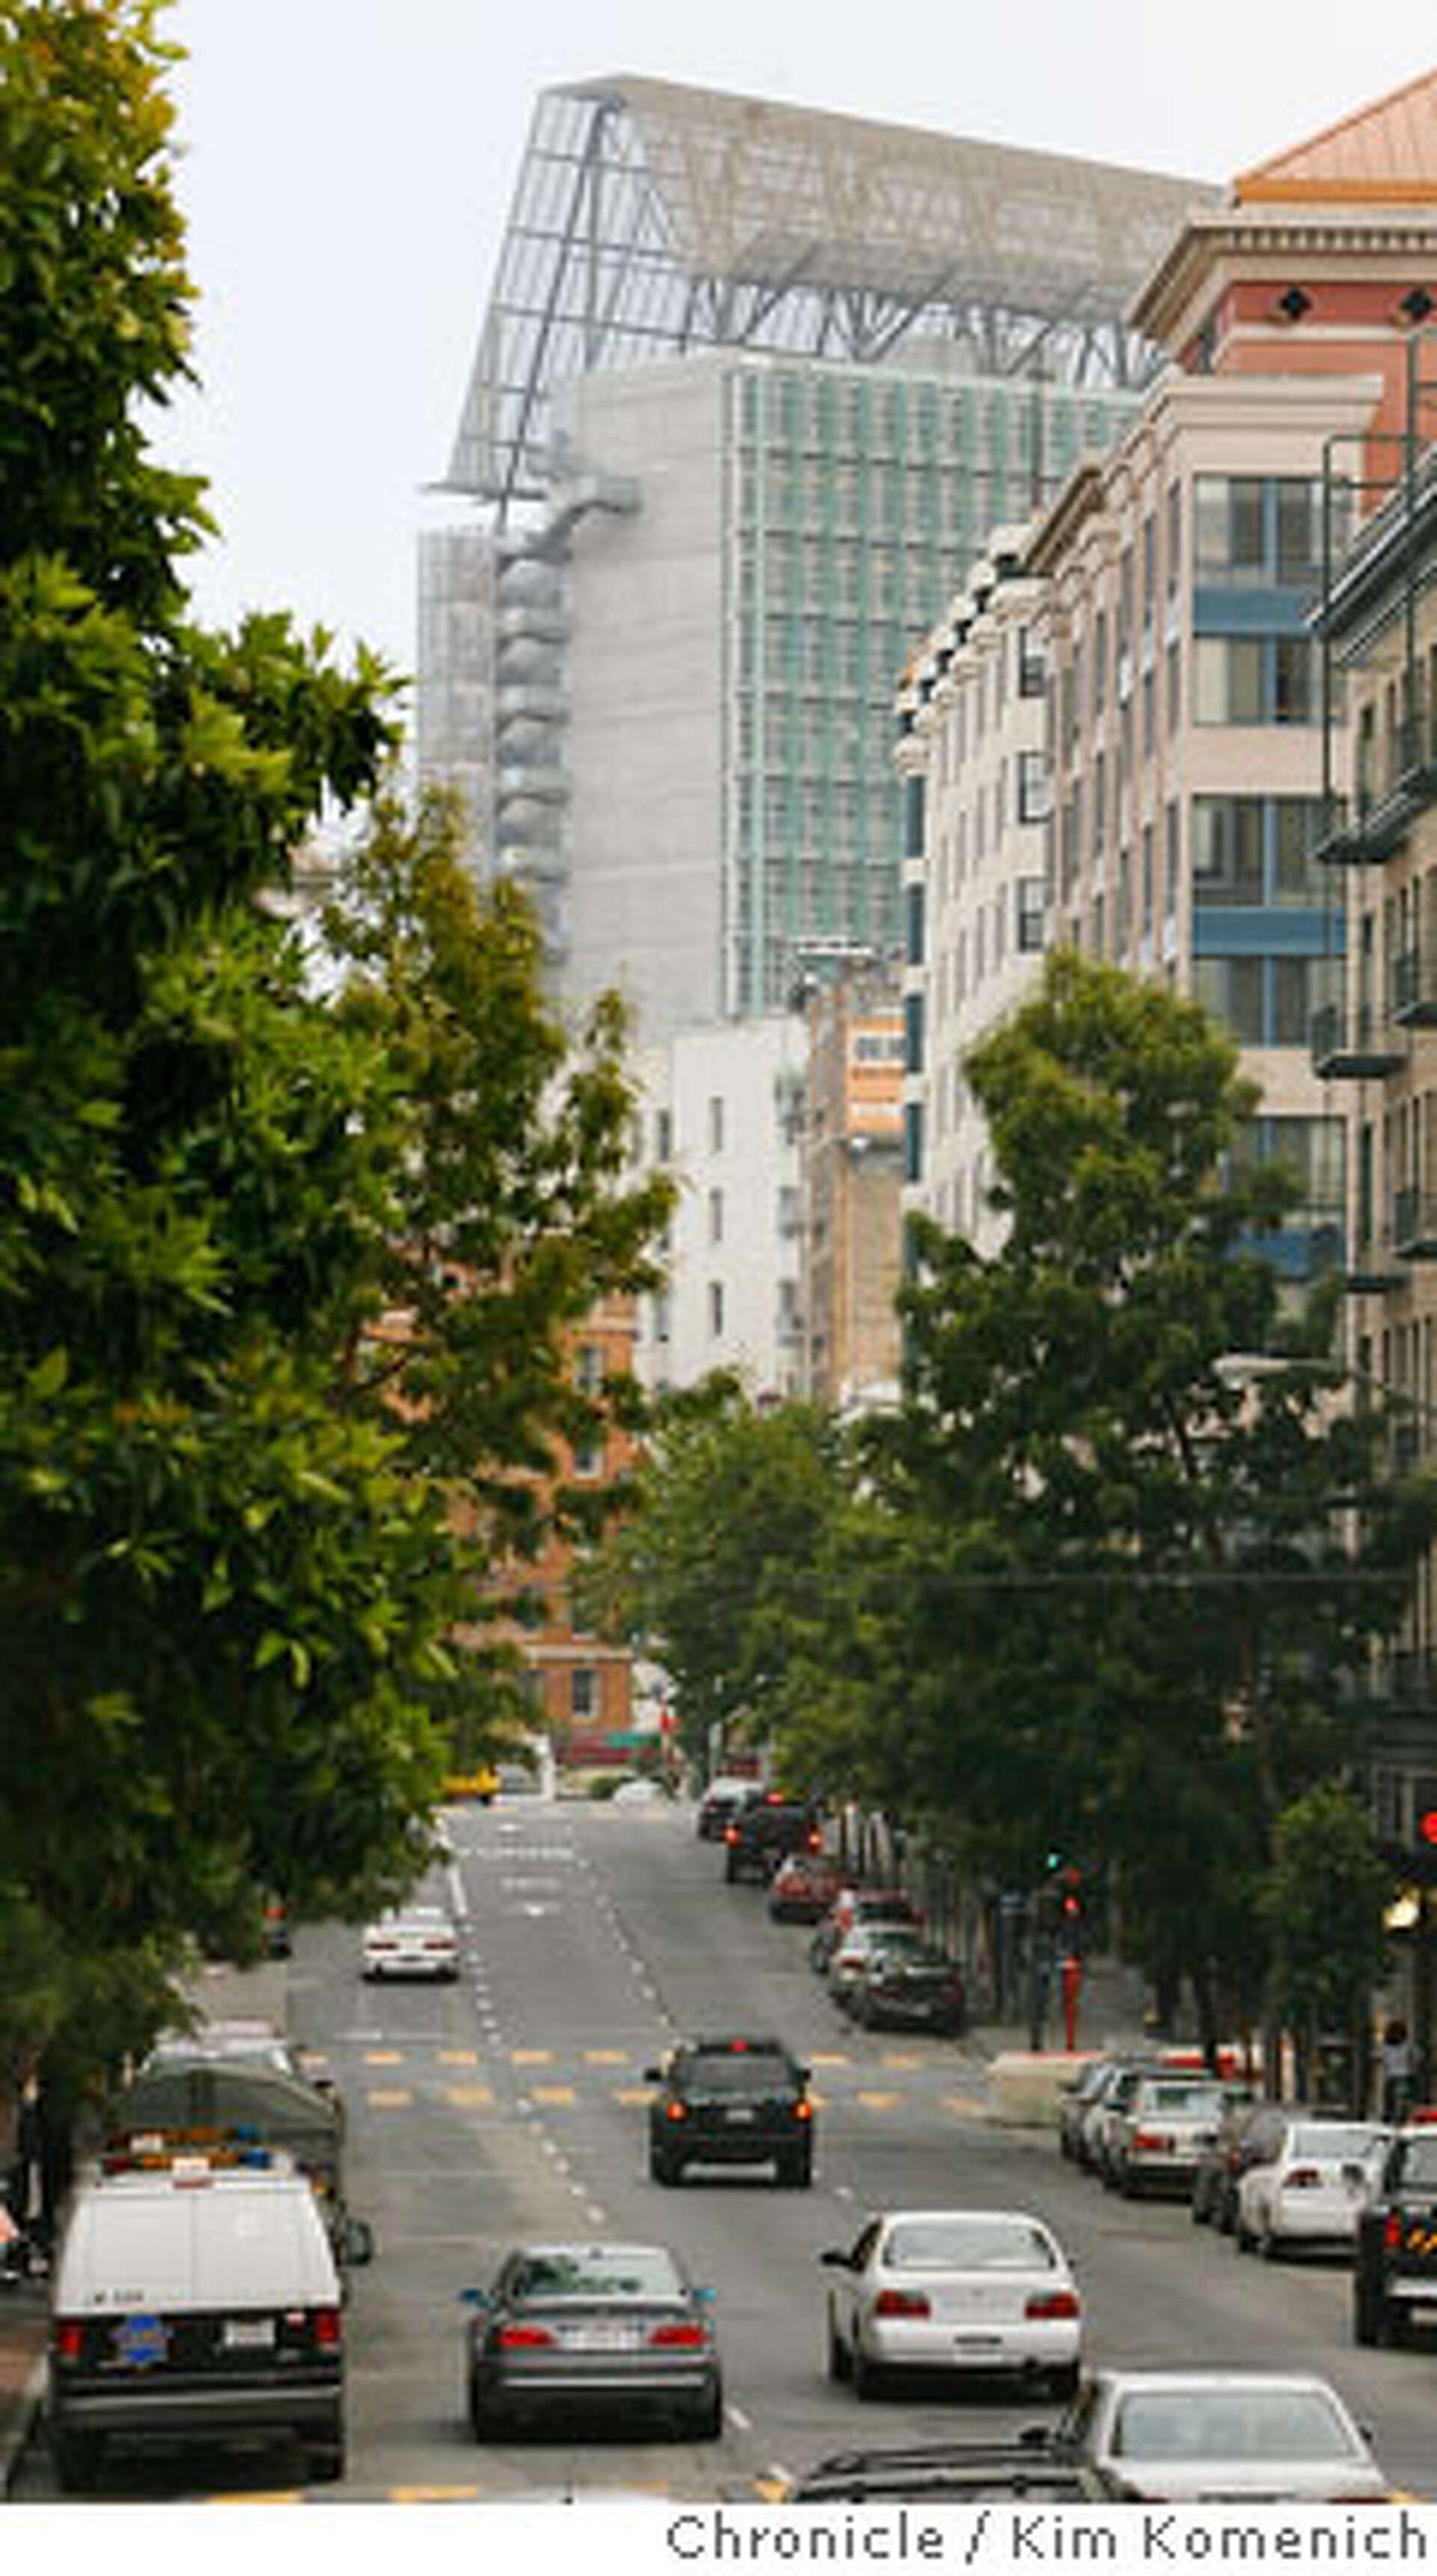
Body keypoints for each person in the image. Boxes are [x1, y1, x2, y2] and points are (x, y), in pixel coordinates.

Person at [1382, 2018, 1415, 2124]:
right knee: (1392, 2097)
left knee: (1397, 2097)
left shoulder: (1404, 2046)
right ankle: (1393, 2115)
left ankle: (1398, 2116)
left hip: (1400, 2075)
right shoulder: (1389, 2046)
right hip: (1397, 2075)